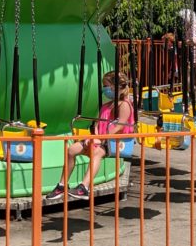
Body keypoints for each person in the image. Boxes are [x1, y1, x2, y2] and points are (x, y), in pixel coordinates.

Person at [47, 70, 134, 202]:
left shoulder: (124, 104)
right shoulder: (105, 106)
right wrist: (93, 137)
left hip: (116, 141)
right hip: (102, 140)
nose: (104, 89)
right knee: (72, 150)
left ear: (115, 86)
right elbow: (98, 125)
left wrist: (100, 139)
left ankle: (84, 187)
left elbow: (119, 126)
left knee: (97, 151)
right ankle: (62, 185)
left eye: (106, 85)